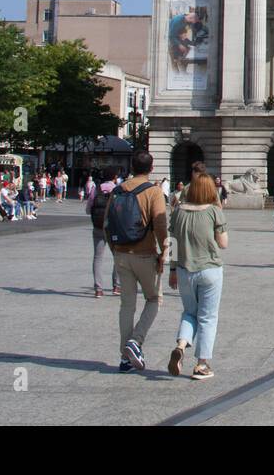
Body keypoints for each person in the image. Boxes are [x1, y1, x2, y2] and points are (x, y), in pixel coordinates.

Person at [107, 151, 170, 372]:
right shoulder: (154, 192)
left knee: (127, 306)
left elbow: (107, 223)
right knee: (153, 299)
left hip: (121, 255)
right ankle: (136, 341)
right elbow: (161, 226)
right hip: (145, 254)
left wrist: (114, 249)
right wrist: (164, 253)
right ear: (151, 168)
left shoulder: (117, 190)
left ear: (131, 167)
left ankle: (125, 357)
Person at [168, 172, 228, 380]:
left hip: (184, 270)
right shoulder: (213, 211)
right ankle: (201, 365)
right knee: (207, 317)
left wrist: (173, 270)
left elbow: (172, 243)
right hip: (210, 270)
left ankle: (181, 345)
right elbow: (223, 243)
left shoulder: (178, 211)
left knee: (189, 312)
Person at [87, 173, 121, 298]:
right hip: (113, 228)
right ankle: (117, 286)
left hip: (98, 227)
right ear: (114, 177)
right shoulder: (117, 189)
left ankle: (98, 289)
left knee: (97, 257)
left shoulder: (96, 188)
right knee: (117, 256)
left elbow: (88, 208)